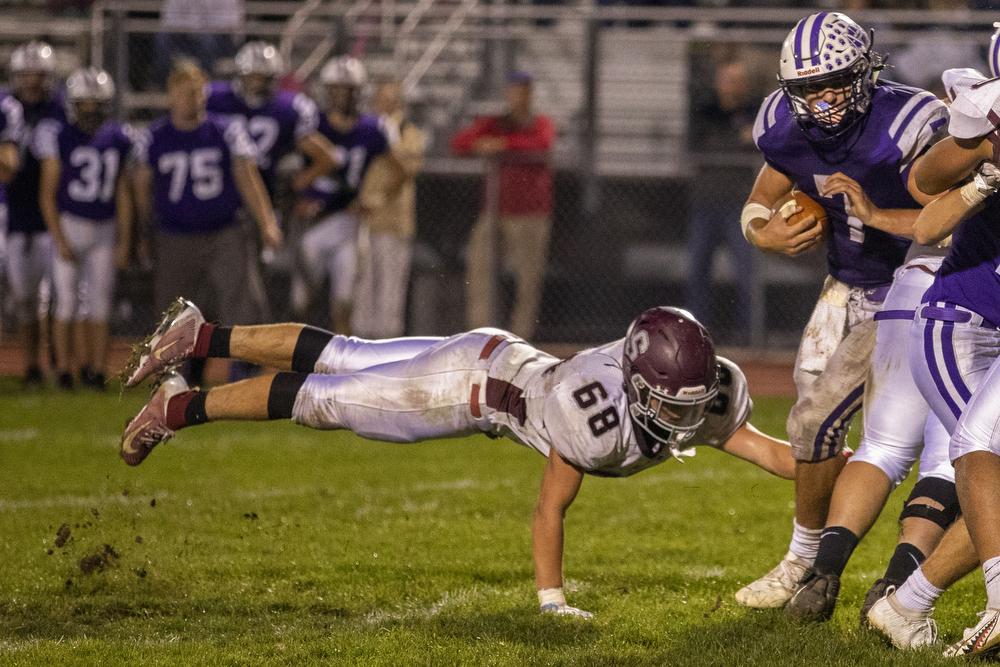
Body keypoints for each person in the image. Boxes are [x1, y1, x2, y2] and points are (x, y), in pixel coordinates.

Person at [120, 302, 796, 617]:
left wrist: (838, 458)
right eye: (670, 403)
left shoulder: (692, 391)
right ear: (637, 383)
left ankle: (199, 334)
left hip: (494, 348)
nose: (685, 415)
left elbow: (763, 449)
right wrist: (552, 600)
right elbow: (548, 509)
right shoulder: (592, 422)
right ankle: (178, 405)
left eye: (692, 402)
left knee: (345, 355)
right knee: (325, 399)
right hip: (467, 389)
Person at [736, 12, 949, 610]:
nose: (824, 101)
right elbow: (766, 190)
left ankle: (807, 564)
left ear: (864, 73)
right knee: (811, 432)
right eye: (808, 89)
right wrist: (760, 231)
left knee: (834, 426)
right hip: (844, 285)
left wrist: (882, 218)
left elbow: (956, 216)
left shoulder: (910, 124)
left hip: (912, 288)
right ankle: (812, 559)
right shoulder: (782, 123)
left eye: (834, 84)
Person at [871, 53, 1000, 657]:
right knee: (986, 464)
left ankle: (905, 605)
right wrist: (984, 166)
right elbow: (924, 191)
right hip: (963, 329)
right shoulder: (986, 128)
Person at [132, 62, 282, 383]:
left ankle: (242, 371)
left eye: (199, 92)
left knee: (239, 304)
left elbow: (248, 178)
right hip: (174, 234)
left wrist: (267, 221)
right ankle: (177, 375)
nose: (194, 99)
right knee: (175, 311)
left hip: (224, 231)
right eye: (186, 93)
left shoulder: (225, 130)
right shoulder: (155, 136)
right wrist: (144, 228)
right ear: (171, 95)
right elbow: (141, 186)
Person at [35, 67, 135, 390]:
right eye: (84, 105)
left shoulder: (118, 137)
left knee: (99, 302)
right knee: (66, 301)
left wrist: (124, 239)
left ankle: (95, 368)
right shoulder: (60, 135)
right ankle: (65, 369)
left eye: (96, 105)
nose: (90, 112)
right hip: (71, 223)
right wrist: (59, 236)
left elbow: (122, 192)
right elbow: (47, 193)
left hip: (104, 227)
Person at [294, 56, 396, 335]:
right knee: (300, 303)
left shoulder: (373, 129)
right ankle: (284, 369)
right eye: (336, 89)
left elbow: (398, 170)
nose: (341, 96)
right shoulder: (312, 124)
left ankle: (342, 371)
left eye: (347, 89)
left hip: (348, 223)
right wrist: (298, 197)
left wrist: (377, 197)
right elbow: (289, 171)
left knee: (344, 304)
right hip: (312, 223)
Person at [451, 71, 556, 341]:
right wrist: (483, 144)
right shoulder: (496, 123)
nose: (516, 96)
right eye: (512, 90)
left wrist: (502, 145)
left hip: (531, 215)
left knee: (528, 282)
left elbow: (541, 143)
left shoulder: (539, 122)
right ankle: (481, 338)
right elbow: (459, 143)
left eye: (521, 90)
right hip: (496, 211)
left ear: (530, 93)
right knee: (479, 269)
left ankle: (521, 341)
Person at [5, 41, 62, 389]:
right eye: (25, 75)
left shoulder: (60, 111)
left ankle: (61, 362)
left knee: (60, 301)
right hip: (18, 214)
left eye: (38, 75)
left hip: (57, 216)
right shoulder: (6, 109)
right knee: (26, 300)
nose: (31, 82)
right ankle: (31, 367)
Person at [351, 78, 425, 339]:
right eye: (381, 99)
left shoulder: (407, 132)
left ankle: (389, 354)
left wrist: (378, 198)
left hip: (393, 223)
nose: (384, 105)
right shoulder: (366, 129)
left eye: (390, 100)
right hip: (364, 221)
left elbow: (406, 171)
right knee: (361, 291)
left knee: (390, 294)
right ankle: (360, 351)